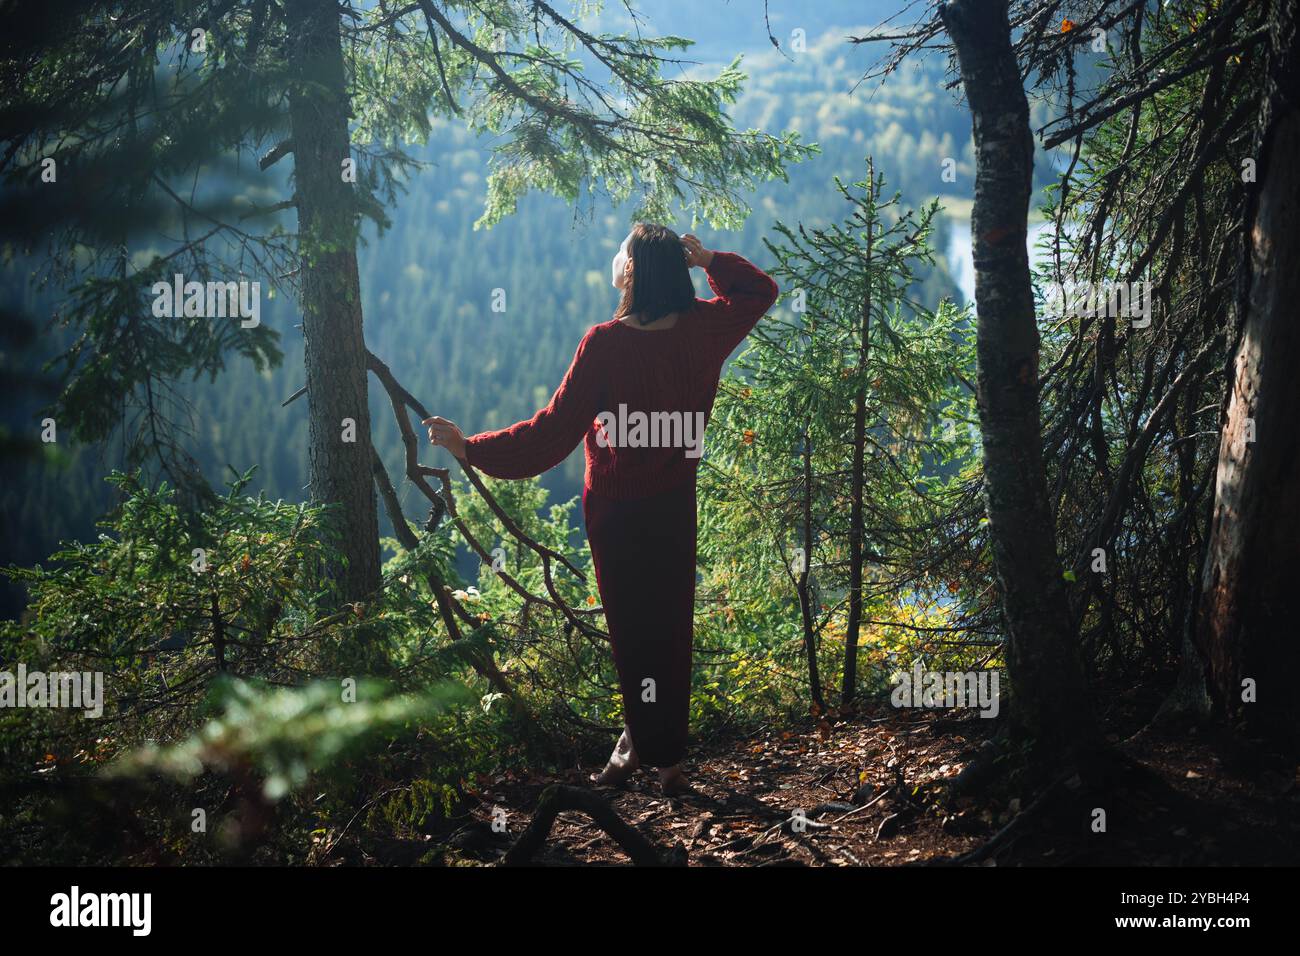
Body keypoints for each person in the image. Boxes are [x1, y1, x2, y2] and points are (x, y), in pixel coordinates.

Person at [424, 224, 778, 795]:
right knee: (667, 629)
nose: (615, 257)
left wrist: (471, 449)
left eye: (623, 252)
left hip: (617, 514)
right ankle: (654, 755)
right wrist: (710, 259)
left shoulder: (606, 344)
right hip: (673, 506)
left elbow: (551, 433)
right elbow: (760, 292)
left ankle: (652, 757)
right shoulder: (705, 328)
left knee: (635, 635)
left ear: (632, 272)